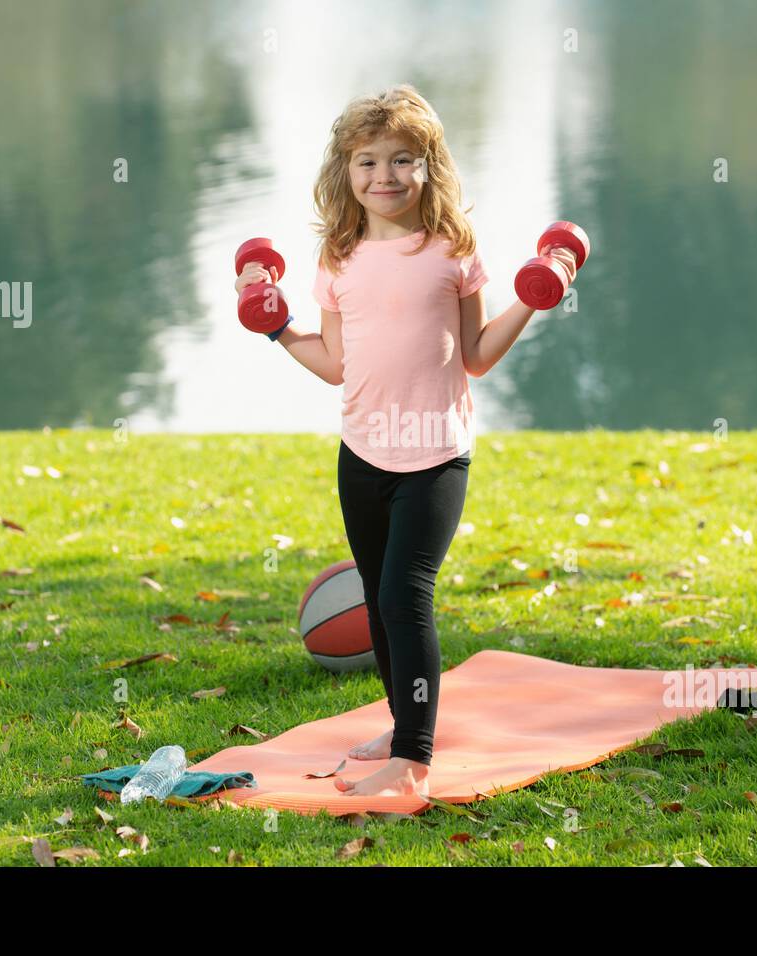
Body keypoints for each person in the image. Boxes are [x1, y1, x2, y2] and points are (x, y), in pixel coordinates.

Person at [234, 84, 577, 797]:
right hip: (361, 455)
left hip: (435, 454)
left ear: (430, 167)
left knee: (402, 596)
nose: (383, 176)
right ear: (345, 171)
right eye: (367, 162)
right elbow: (336, 365)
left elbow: (476, 353)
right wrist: (275, 327)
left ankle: (412, 762)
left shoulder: (452, 249)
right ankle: (399, 725)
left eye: (401, 160)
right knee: (377, 603)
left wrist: (539, 292)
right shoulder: (338, 257)